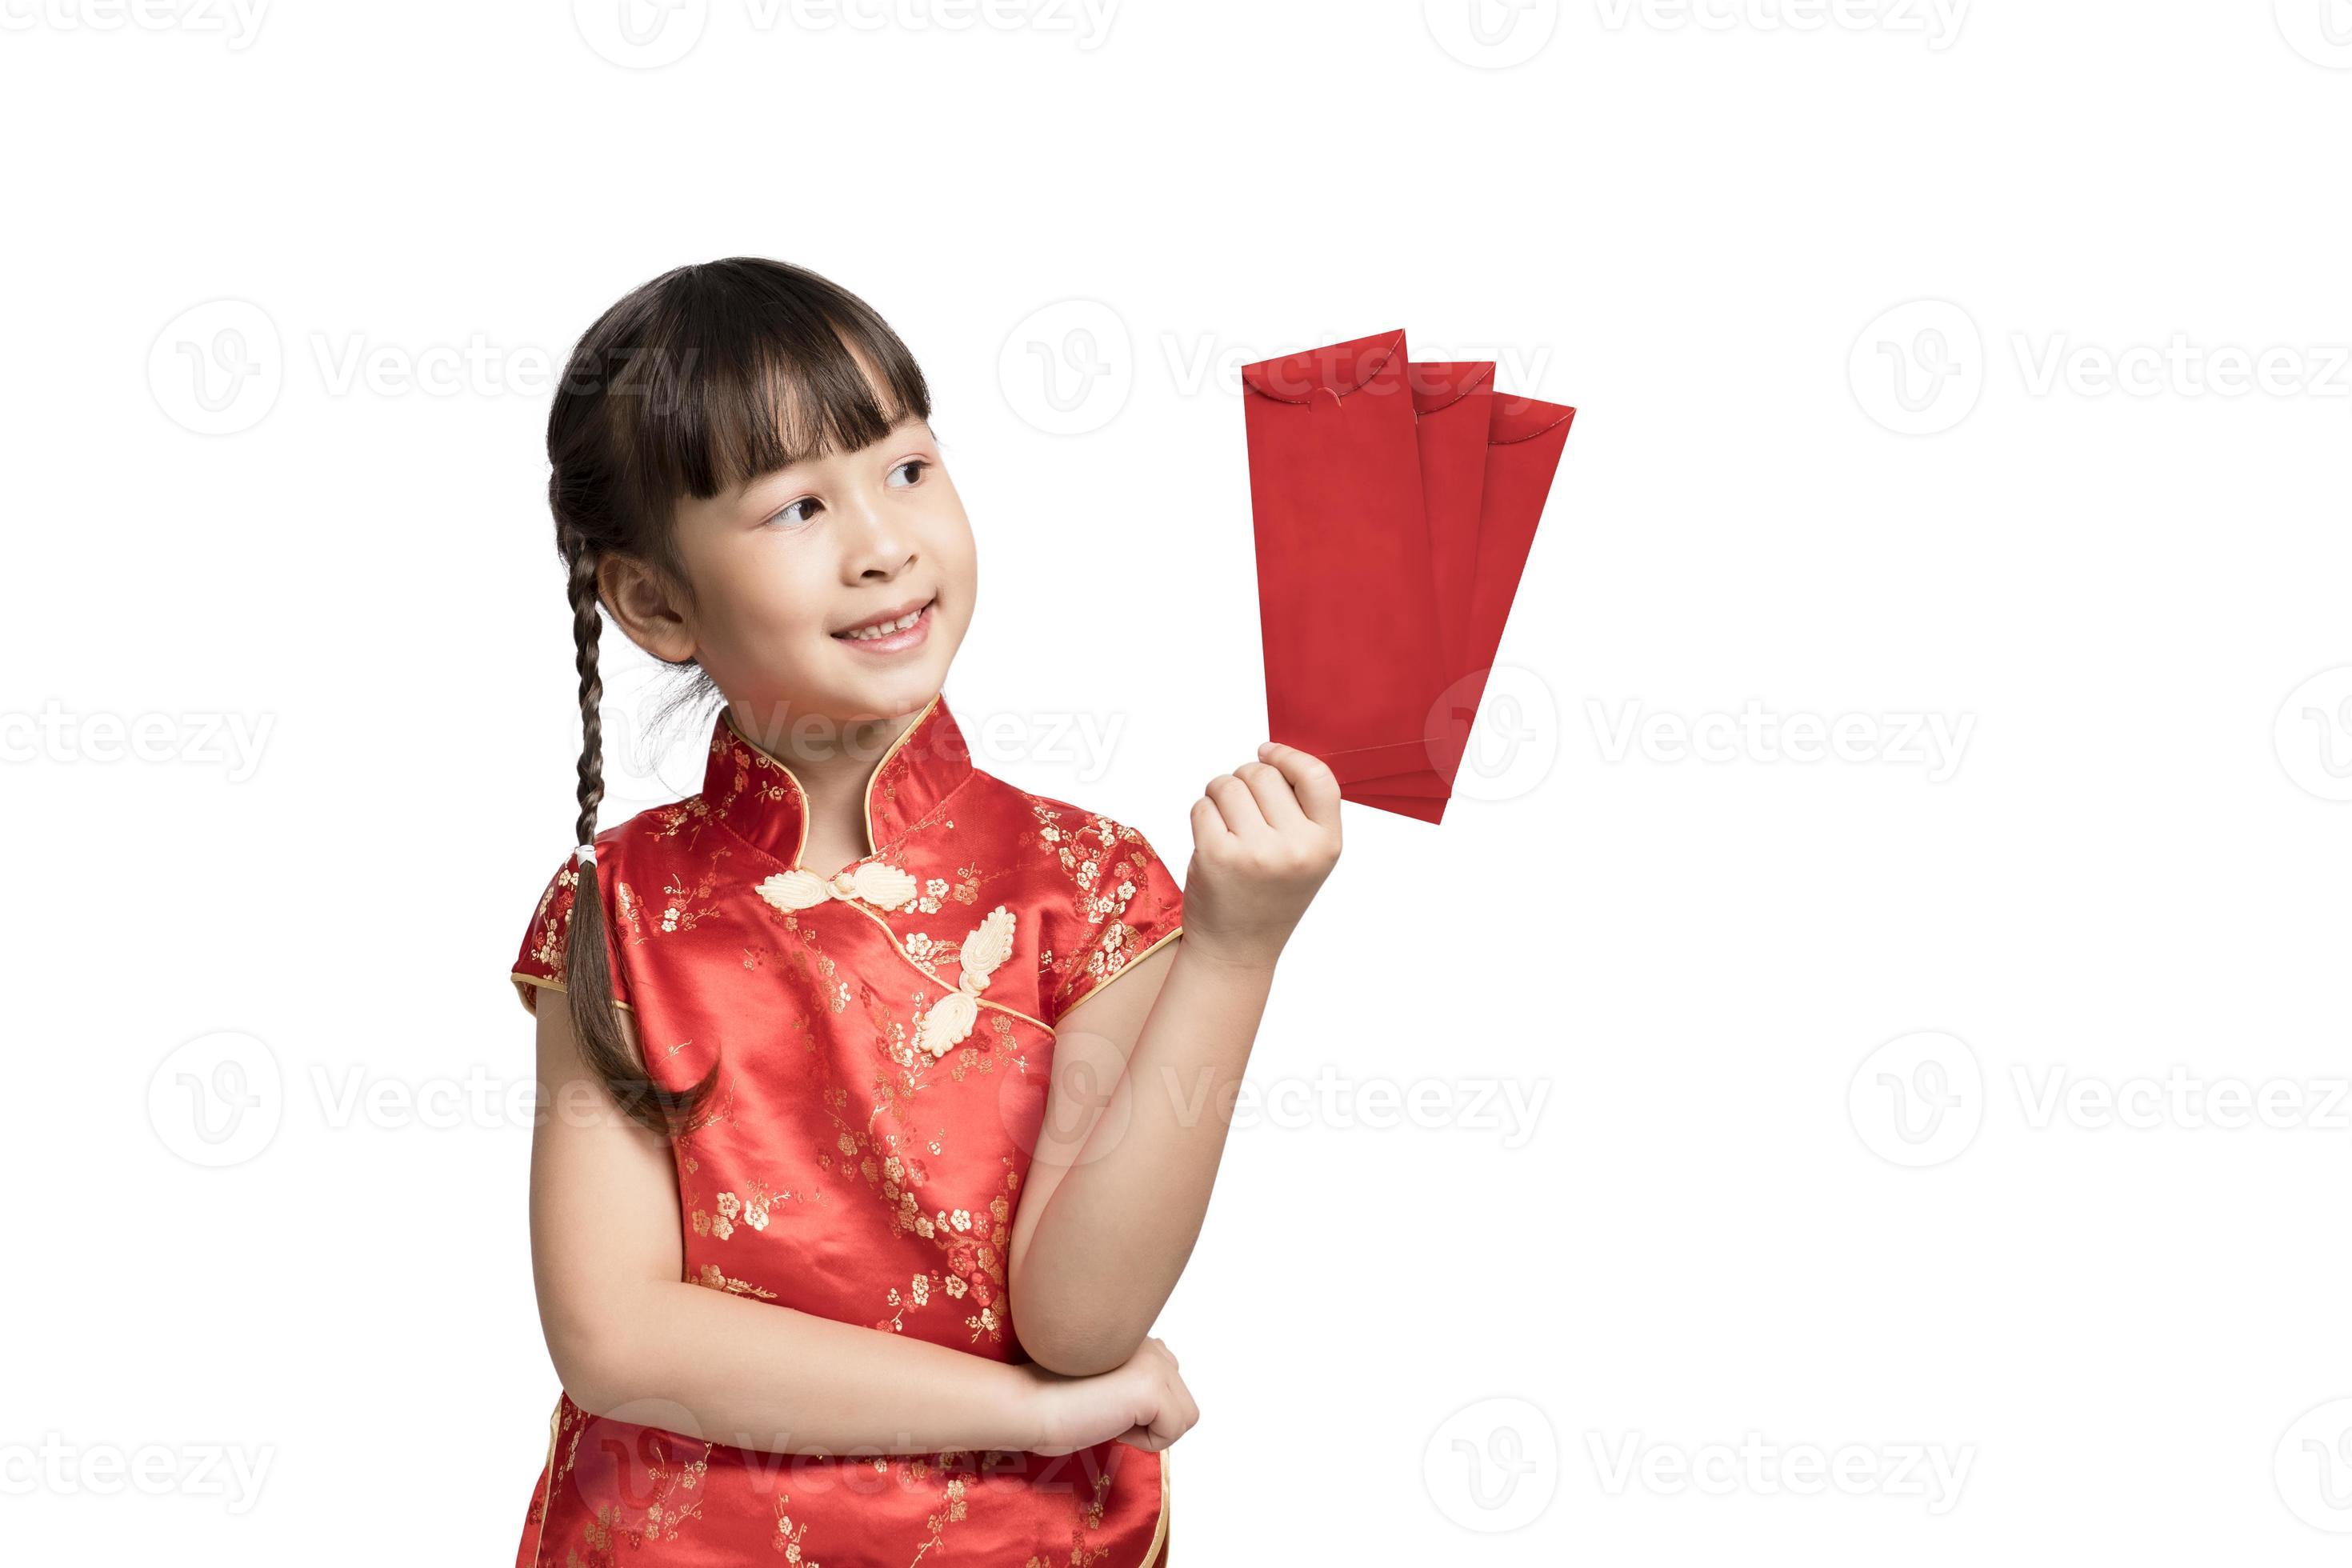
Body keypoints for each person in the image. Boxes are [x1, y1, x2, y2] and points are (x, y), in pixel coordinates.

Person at [506, 257, 1342, 1566]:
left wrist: (1238, 949)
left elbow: (1080, 1317)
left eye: (907, 466)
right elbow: (618, 1339)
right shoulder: (618, 908)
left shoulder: (1092, 882)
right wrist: (1028, 1413)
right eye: (795, 507)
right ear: (656, 602)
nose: (884, 541)